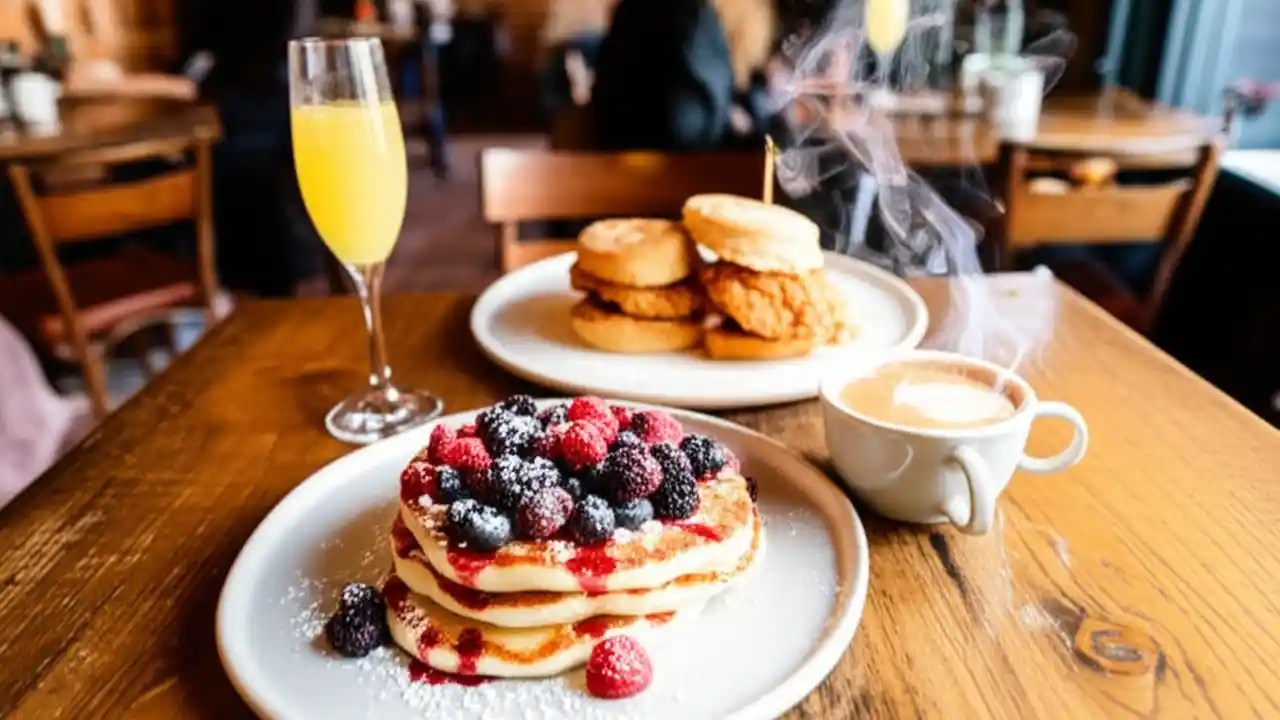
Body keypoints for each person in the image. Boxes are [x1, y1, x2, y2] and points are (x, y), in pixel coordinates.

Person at [178, 0, 329, 297]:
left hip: (269, 103)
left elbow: (206, 47)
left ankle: (241, 286)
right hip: (276, 98)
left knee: (222, 169)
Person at [591, 0, 779, 151]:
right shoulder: (694, 17)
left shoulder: (635, 10)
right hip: (683, 167)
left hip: (617, 154)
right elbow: (688, 125)